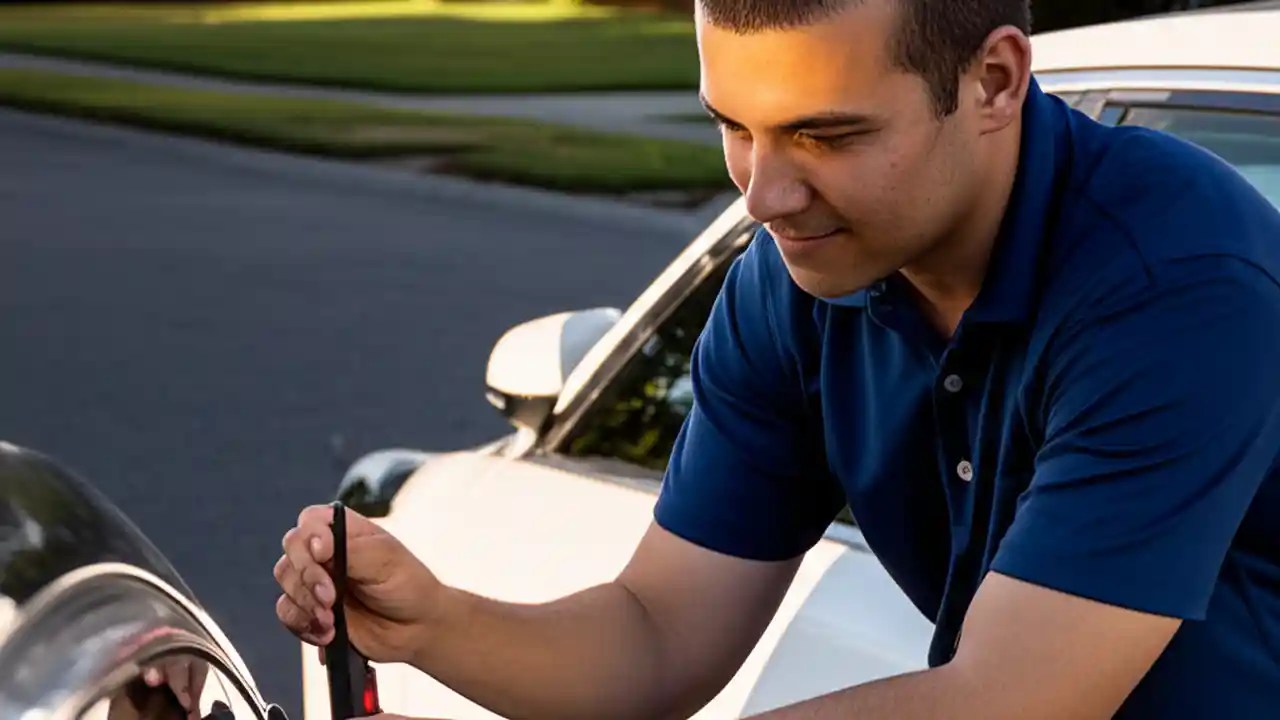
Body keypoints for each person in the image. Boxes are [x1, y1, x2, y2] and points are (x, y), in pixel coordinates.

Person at [274, 1, 1280, 718]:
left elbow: (1006, 701)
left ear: (993, 81)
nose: (762, 196)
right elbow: (654, 636)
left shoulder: (1176, 281)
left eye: (825, 135)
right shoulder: (796, 286)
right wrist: (435, 624)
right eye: (734, 128)